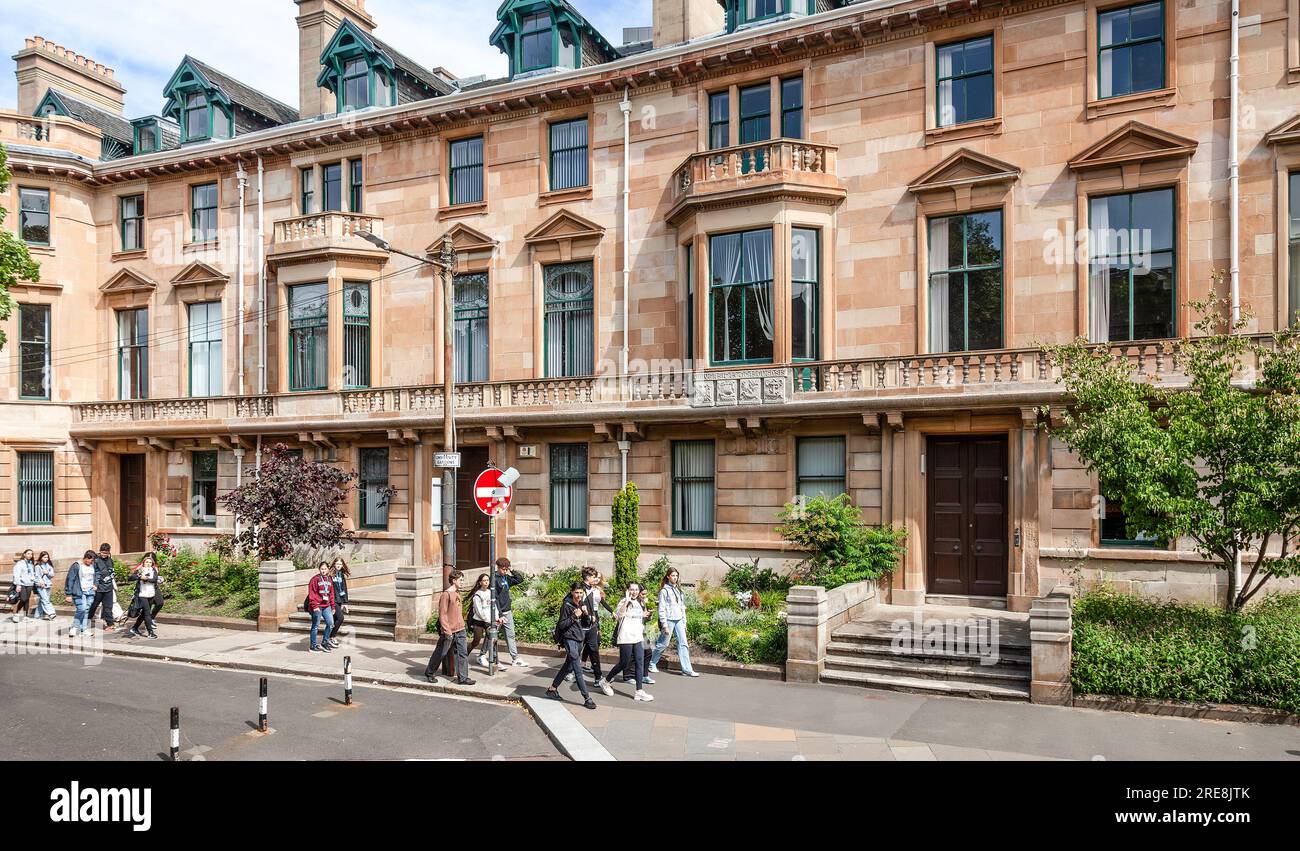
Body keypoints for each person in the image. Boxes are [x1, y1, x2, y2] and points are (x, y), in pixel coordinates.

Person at [604, 582, 655, 701]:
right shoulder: (624, 601)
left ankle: (639, 691)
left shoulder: (639, 602)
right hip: (626, 636)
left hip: (638, 636)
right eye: (632, 589)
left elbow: (640, 617)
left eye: (636, 589)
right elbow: (619, 614)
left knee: (639, 662)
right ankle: (605, 681)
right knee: (624, 663)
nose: (634, 592)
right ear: (628, 590)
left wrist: (646, 615)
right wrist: (627, 600)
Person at [424, 570, 474, 685]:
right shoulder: (446, 595)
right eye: (460, 580)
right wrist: (447, 631)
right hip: (449, 631)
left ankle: (463, 678)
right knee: (441, 653)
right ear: (454, 580)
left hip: (460, 629)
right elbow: (442, 614)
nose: (462, 581)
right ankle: (430, 672)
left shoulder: (457, 593)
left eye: (462, 579)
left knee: (463, 654)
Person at [650, 567, 699, 677]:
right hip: (669, 620)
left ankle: (687, 669)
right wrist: (665, 625)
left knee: (683, 644)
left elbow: (682, 607)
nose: (675, 578)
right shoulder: (664, 591)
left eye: (676, 576)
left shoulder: (679, 590)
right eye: (673, 575)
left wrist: (684, 622)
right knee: (664, 643)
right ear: (668, 577)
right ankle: (651, 663)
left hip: (679, 620)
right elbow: (661, 609)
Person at [574, 567, 614, 695]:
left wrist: (611, 612)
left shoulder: (594, 589)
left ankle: (598, 677)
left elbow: (600, 602)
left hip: (592, 625)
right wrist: (586, 613)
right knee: (576, 650)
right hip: (581, 625)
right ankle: (571, 671)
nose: (596, 579)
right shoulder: (581, 588)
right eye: (593, 577)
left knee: (594, 649)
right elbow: (576, 602)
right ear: (588, 578)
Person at [484, 557, 529, 668]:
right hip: (498, 613)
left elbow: (519, 579)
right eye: (503, 569)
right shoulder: (494, 579)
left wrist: (511, 570)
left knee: (511, 635)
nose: (504, 571)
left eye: (506, 569)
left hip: (507, 612)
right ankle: (482, 655)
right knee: (492, 636)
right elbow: (495, 598)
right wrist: (499, 614)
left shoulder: (506, 577)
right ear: (498, 568)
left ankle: (515, 659)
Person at [125, 553, 161, 640]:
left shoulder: (153, 570)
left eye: (150, 562)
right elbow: (130, 578)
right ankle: (150, 632)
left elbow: (154, 580)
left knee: (144, 614)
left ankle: (134, 628)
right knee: (147, 613)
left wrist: (146, 579)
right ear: (143, 563)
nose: (148, 564)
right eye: (146, 562)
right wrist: (139, 577)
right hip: (142, 594)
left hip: (151, 594)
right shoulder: (140, 570)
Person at [63, 551, 98, 637]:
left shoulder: (93, 565)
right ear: (86, 558)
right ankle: (74, 627)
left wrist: (95, 584)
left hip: (90, 591)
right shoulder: (76, 565)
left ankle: (84, 629)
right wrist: (68, 594)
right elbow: (70, 579)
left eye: (93, 561)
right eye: (91, 560)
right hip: (79, 591)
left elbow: (97, 574)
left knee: (86, 610)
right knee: (81, 609)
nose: (92, 562)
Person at [86, 543, 117, 633]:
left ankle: (110, 624)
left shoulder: (110, 560)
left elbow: (112, 570)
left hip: (108, 587)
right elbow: (93, 574)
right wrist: (94, 584)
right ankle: (87, 619)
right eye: (102, 552)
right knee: (94, 605)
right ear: (100, 552)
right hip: (98, 588)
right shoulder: (95, 561)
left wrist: (112, 575)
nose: (104, 554)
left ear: (109, 552)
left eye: (106, 553)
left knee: (108, 607)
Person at [306, 561, 335, 653]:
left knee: (330, 624)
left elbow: (331, 594)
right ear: (319, 569)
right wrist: (314, 605)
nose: (323, 570)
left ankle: (325, 642)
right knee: (315, 626)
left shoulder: (329, 579)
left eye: (325, 569)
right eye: (322, 569)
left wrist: (333, 606)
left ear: (328, 569)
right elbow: (312, 594)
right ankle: (313, 645)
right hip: (317, 606)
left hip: (326, 605)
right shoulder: (315, 579)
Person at [466, 573, 491, 663]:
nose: (486, 582)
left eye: (487, 580)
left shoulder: (490, 592)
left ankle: (482, 655)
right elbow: (479, 611)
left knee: (491, 636)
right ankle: (464, 655)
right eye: (484, 580)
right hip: (479, 621)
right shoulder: (477, 595)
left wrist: (496, 617)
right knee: (476, 641)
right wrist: (487, 619)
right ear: (480, 582)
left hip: (488, 620)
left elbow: (493, 606)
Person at [326, 557, 349, 649]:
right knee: (340, 618)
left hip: (339, 600)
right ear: (334, 564)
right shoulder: (331, 575)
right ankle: (331, 637)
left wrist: (345, 602)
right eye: (337, 564)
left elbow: (344, 588)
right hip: (332, 600)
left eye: (340, 564)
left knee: (335, 620)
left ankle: (329, 638)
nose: (338, 566)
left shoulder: (341, 575)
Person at [9, 549, 36, 623]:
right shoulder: (20, 563)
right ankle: (16, 613)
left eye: (31, 554)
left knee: (27, 600)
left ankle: (25, 616)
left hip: (29, 584)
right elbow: (16, 574)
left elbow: (32, 574)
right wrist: (18, 584)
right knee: (23, 599)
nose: (30, 555)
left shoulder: (31, 563)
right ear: (24, 554)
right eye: (28, 553)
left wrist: (34, 580)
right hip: (22, 584)